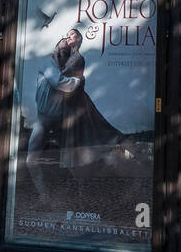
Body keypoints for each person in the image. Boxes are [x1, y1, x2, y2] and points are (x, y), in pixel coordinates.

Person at [27, 28, 124, 200]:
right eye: (63, 40)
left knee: (72, 158)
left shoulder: (75, 59)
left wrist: (77, 82)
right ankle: (46, 195)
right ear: (55, 49)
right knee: (38, 159)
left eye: (70, 37)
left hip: (64, 116)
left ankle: (81, 192)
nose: (66, 39)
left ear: (78, 39)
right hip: (48, 119)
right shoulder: (50, 64)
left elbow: (64, 81)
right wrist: (78, 81)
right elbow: (60, 81)